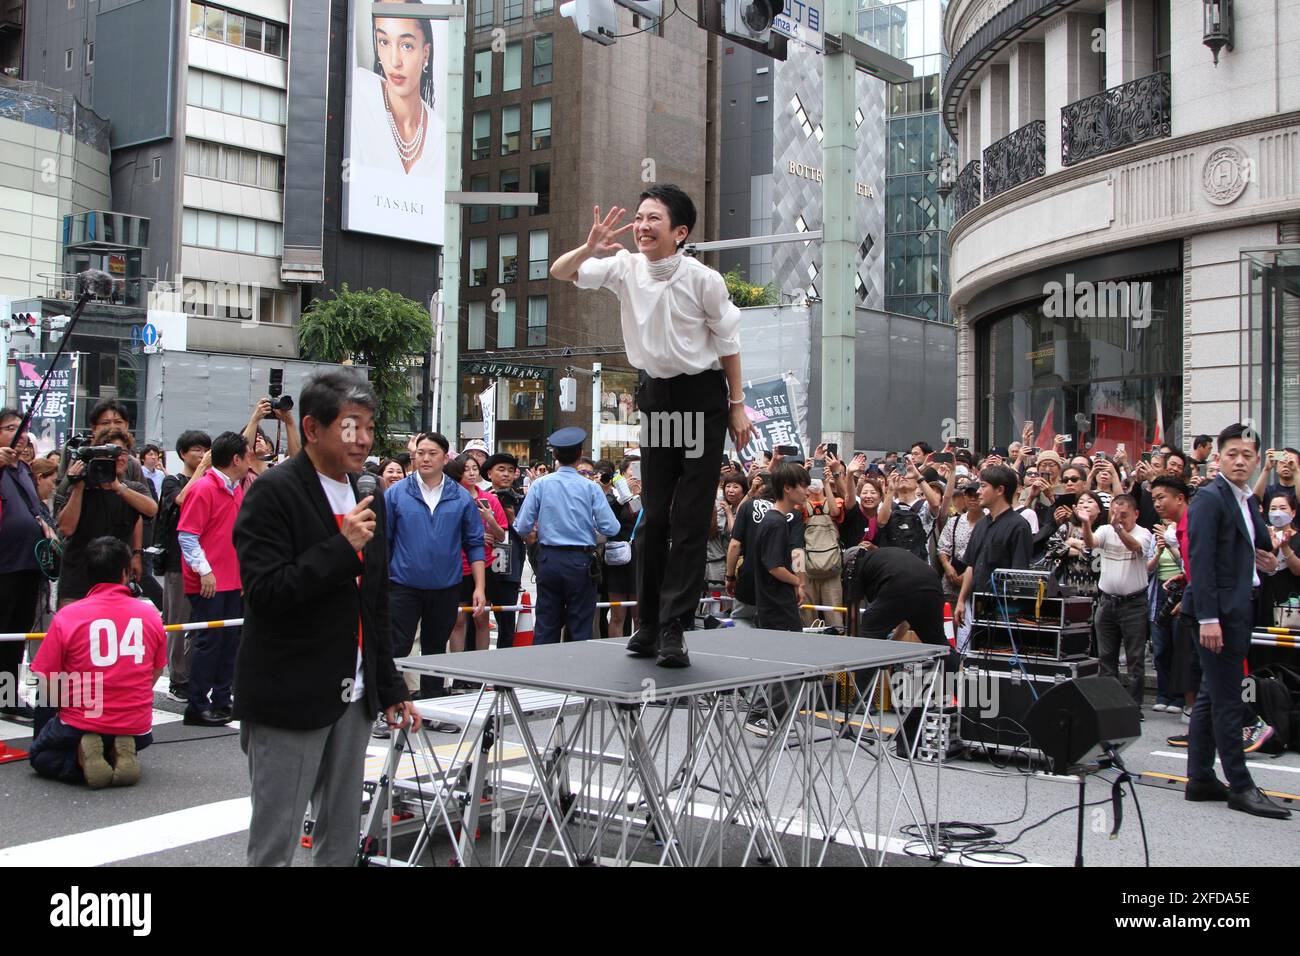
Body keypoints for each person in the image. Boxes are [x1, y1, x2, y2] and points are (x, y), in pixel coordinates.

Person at [551, 186, 753, 667]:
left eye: (653, 219)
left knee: (689, 517)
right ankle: (647, 625)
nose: (641, 226)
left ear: (680, 232)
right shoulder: (624, 268)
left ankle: (675, 629)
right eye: (639, 218)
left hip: (702, 400)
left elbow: (728, 341)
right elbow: (563, 271)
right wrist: (590, 245)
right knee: (655, 515)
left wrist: (738, 404)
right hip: (659, 400)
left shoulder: (704, 280)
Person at [233, 370, 419, 866]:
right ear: (312, 429)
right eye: (351, 426)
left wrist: (389, 683)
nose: (363, 440)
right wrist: (342, 547)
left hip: (354, 696)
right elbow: (266, 592)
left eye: (370, 428)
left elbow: (374, 598)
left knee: (341, 837)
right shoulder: (273, 491)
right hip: (289, 693)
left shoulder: (369, 492)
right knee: (276, 839)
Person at [1179, 423, 1290, 819]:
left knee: (1212, 697)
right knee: (1228, 700)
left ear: (1258, 459)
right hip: (1216, 615)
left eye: (1247, 455)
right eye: (1232, 454)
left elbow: (1262, 550)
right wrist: (1209, 618)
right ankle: (1241, 787)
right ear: (1218, 457)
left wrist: (1271, 561)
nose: (1240, 461)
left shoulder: (1245, 499)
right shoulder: (1210, 498)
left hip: (1237, 608)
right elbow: (1201, 563)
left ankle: (1200, 778)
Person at [27, 537, 167, 788]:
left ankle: (81, 762)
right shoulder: (150, 615)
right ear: (125, 573)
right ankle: (119, 751)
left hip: (84, 719)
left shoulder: (69, 616)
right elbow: (155, 671)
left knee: (40, 756)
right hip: (137, 725)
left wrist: (61, 709)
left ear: (87, 573)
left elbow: (47, 678)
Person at [383, 432, 485, 709]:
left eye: (432, 453)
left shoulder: (460, 497)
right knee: (397, 648)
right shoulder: (396, 494)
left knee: (435, 649)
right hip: (403, 585)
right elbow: (384, 542)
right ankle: (389, 708)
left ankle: (433, 707)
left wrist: (479, 587)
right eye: (420, 452)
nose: (425, 458)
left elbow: (474, 543)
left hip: (446, 586)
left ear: (445, 457)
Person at [513, 428, 620, 646]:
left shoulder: (540, 484)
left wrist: (537, 536)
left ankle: (543, 676)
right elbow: (612, 527)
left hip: (549, 558)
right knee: (580, 626)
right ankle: (575, 675)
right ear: (580, 454)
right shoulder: (591, 487)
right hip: (580, 561)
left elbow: (522, 525)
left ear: (555, 455)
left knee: (546, 624)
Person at [348, 0, 446, 240]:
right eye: (384, 41)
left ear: (426, 53)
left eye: (406, 45)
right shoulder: (359, 90)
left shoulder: (441, 134)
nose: (394, 60)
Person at [176, 431, 251, 726]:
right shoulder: (204, 488)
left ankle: (222, 698)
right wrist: (204, 571)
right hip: (209, 581)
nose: (250, 462)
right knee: (209, 642)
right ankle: (197, 704)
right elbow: (188, 536)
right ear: (236, 459)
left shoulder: (236, 488)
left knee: (228, 640)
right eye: (246, 456)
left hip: (232, 579)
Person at [54, 426, 158, 606]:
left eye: (123, 452)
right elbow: (66, 528)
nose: (119, 457)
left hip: (116, 578)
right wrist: (79, 486)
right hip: (78, 575)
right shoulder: (81, 486)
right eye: (111, 452)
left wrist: (118, 487)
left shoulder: (133, 488)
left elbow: (151, 510)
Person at [0, 409, 54, 719]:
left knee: (17, 634)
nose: (18, 436)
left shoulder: (22, 469)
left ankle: (6, 697)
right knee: (3, 631)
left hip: (27, 563)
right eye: (9, 429)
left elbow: (35, 509)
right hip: (4, 564)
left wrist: (42, 525)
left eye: (21, 431)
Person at [1081, 493, 1152, 711]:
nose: (1118, 519)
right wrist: (1085, 523)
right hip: (1107, 602)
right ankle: (1108, 705)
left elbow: (1135, 547)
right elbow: (1091, 543)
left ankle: (1133, 706)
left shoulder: (1144, 533)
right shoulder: (1105, 529)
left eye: (1124, 515)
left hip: (1134, 604)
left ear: (1136, 514)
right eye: (1114, 513)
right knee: (1106, 657)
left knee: (1135, 658)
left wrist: (1119, 529)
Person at [155, 430, 212, 700]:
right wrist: (202, 469)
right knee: (178, 621)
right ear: (182, 454)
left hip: (206, 563)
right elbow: (181, 500)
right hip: (178, 562)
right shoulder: (172, 481)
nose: (201, 455)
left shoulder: (211, 482)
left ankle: (192, 673)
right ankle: (177, 679)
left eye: (205, 450)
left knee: (202, 623)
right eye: (196, 450)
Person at [953, 465, 1034, 633]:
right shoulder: (981, 524)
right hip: (977, 604)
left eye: (983, 486)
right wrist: (961, 600)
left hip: (1004, 610)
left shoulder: (1019, 526)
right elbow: (971, 565)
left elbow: (1019, 573)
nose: (978, 492)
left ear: (1000, 490)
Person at [444, 456, 505, 656]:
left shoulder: (490, 499)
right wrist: (475, 535)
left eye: (474, 468)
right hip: (456, 567)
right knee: (458, 621)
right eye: (466, 469)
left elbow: (501, 535)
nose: (471, 473)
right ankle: (457, 673)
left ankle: (482, 672)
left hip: (484, 567)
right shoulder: (450, 498)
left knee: (482, 620)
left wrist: (490, 519)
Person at [483, 453, 525, 648]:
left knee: (507, 625)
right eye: (501, 470)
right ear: (489, 473)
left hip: (510, 567)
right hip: (483, 565)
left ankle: (501, 676)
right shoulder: (481, 497)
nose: (506, 474)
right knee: (477, 621)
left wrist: (512, 518)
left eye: (510, 470)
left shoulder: (521, 500)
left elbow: (530, 534)